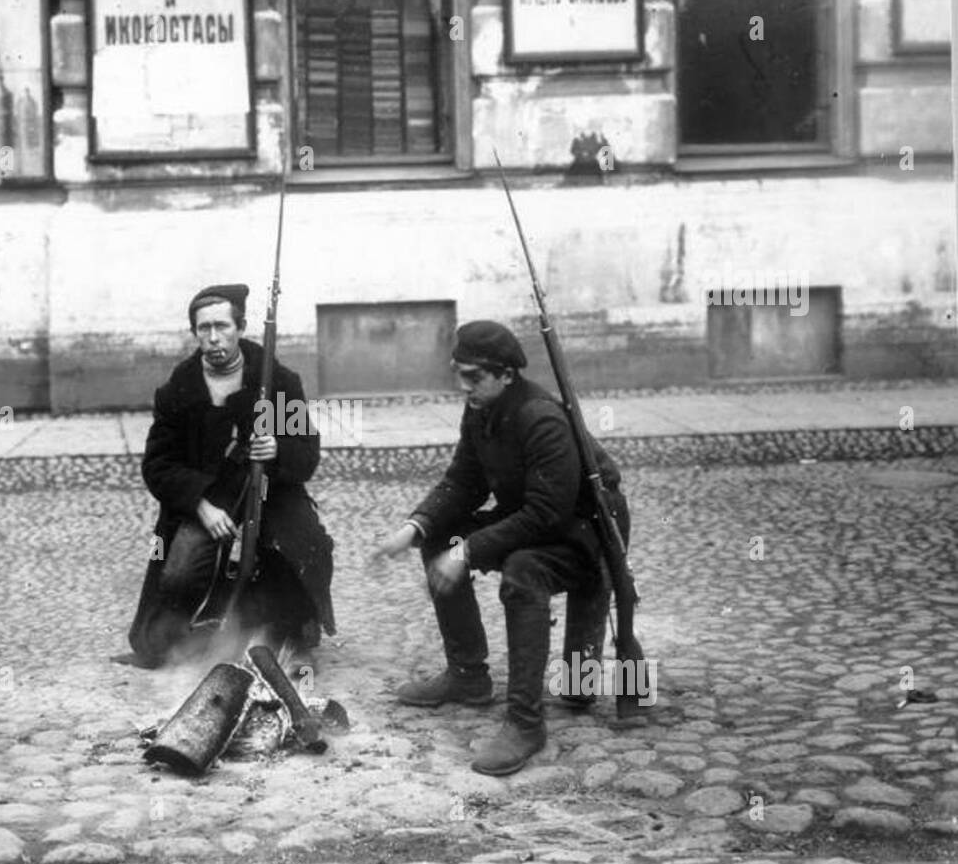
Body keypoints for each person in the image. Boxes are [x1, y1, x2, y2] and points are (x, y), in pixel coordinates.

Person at [374, 321, 629, 776]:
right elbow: (464, 481)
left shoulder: (542, 418)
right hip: (537, 521)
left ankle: (526, 724)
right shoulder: (481, 408)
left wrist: (468, 551)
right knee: (440, 538)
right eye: (459, 373)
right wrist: (416, 527)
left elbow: (546, 514)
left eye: (473, 376)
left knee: (523, 572)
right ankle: (468, 677)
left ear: (506, 375)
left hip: (582, 534)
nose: (462, 385)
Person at [125, 284, 335, 669]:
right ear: (194, 333)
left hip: (271, 491)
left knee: (306, 546)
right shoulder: (179, 389)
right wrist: (201, 506)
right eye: (203, 329)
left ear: (240, 327)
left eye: (222, 326)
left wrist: (278, 449)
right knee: (181, 570)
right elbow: (157, 465)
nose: (213, 337)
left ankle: (289, 625)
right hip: (209, 497)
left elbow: (306, 453)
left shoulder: (274, 382)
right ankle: (190, 633)